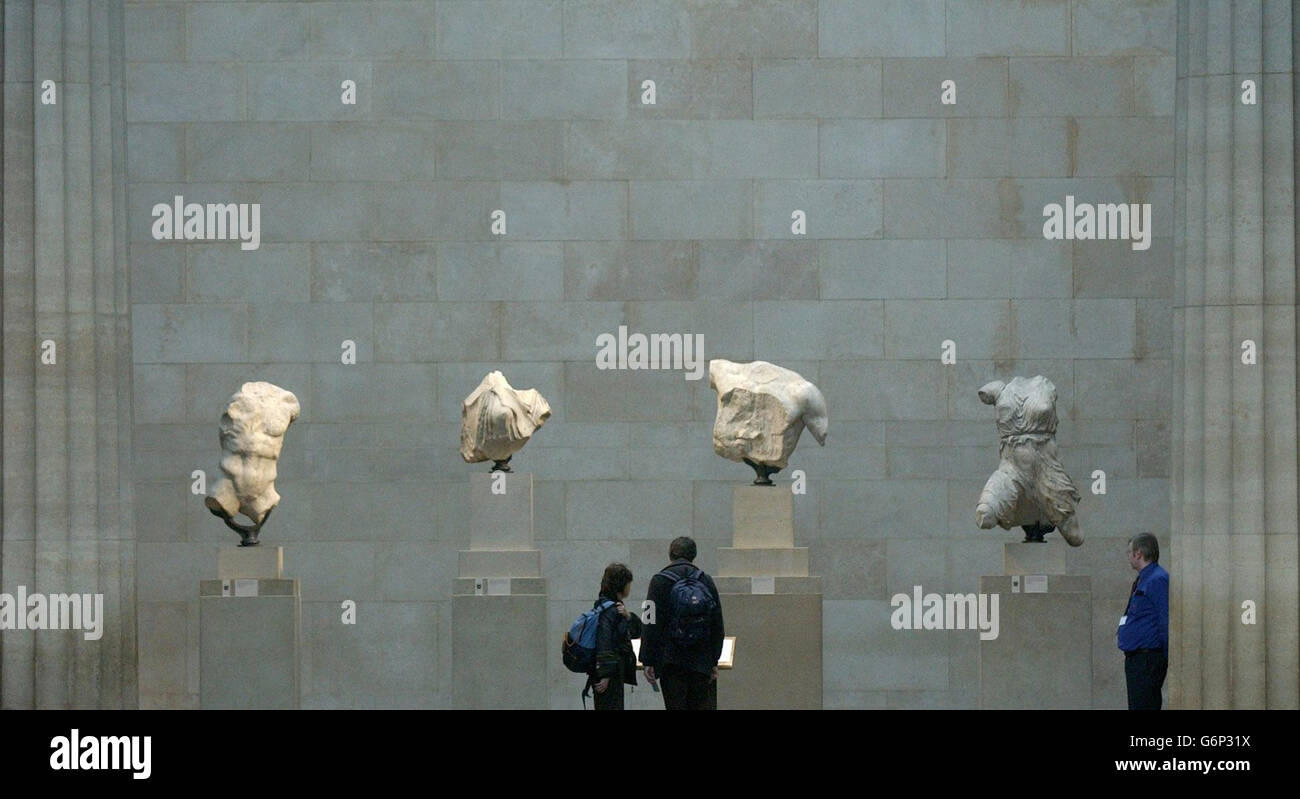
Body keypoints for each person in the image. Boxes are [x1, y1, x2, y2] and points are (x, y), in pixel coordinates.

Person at [640, 536, 724, 710]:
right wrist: (714, 660)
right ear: (694, 555)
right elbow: (717, 624)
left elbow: (649, 622)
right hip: (701, 662)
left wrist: (647, 659)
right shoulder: (706, 581)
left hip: (671, 661)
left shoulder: (659, 581)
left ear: (670, 554)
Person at [1118, 532, 1170, 710]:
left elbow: (1164, 620)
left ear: (1138, 553)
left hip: (1147, 659)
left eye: (1129, 552)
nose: (1129, 557)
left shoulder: (1157, 579)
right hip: (1137, 658)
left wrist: (1165, 656)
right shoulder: (1145, 579)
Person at [589, 563, 640, 710]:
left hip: (609, 670)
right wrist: (605, 675)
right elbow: (604, 641)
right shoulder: (610, 610)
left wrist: (628, 616)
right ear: (621, 585)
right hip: (609, 673)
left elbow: (637, 631)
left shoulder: (607, 606)